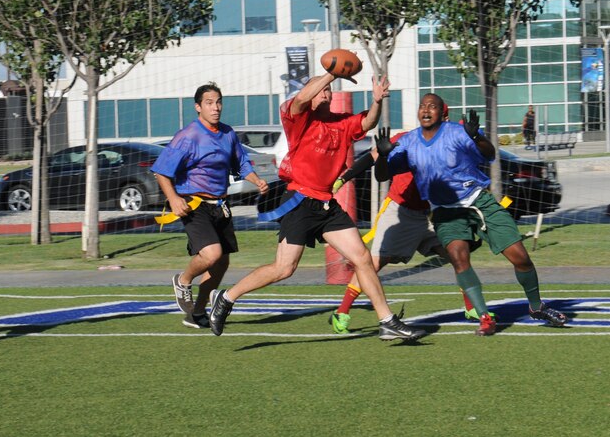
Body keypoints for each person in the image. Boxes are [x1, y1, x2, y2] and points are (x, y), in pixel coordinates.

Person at [208, 72, 426, 341]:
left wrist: (377, 100)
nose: (326, 92)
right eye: (321, 88)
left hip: (326, 204)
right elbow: (300, 99)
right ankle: (226, 297)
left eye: (329, 89)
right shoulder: (297, 118)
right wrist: (332, 72)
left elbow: (368, 121)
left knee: (362, 258)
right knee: (284, 269)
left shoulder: (341, 123)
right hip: (300, 201)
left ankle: (387, 320)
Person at [378, 93, 567, 336]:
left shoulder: (456, 132)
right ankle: (484, 317)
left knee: (520, 257)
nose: (426, 110)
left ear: (441, 112)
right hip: (445, 212)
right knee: (458, 257)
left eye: (432, 107)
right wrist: (383, 156)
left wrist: (476, 136)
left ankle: (536, 306)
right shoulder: (408, 142)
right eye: (422, 106)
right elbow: (382, 175)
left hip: (479, 202)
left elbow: (489, 154)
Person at [329, 105, 479, 334]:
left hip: (426, 214)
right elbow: (372, 158)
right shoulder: (407, 140)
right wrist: (344, 178)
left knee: (456, 255)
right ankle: (342, 312)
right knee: (373, 264)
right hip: (399, 212)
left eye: (444, 116)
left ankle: (471, 308)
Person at [152, 82, 269, 329]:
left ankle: (196, 313)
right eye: (209, 103)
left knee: (221, 263)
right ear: (198, 107)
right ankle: (183, 280)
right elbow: (161, 171)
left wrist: (256, 180)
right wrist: (173, 198)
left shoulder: (228, 133)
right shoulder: (188, 136)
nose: (215, 108)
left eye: (218, 102)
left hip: (221, 205)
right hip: (195, 204)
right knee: (211, 254)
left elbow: (241, 163)